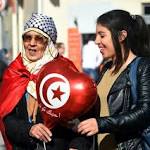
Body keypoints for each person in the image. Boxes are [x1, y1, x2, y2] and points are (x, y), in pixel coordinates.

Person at [0, 13, 98, 150]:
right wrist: (29, 129)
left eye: (39, 39)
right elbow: (7, 118)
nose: (32, 43)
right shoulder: (14, 71)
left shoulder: (65, 69)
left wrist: (77, 146)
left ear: (49, 43)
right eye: (27, 38)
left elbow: (84, 117)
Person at [77, 9, 150, 150]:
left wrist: (101, 124)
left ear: (121, 36)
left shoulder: (143, 66)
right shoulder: (106, 68)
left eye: (102, 35)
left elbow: (145, 111)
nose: (96, 41)